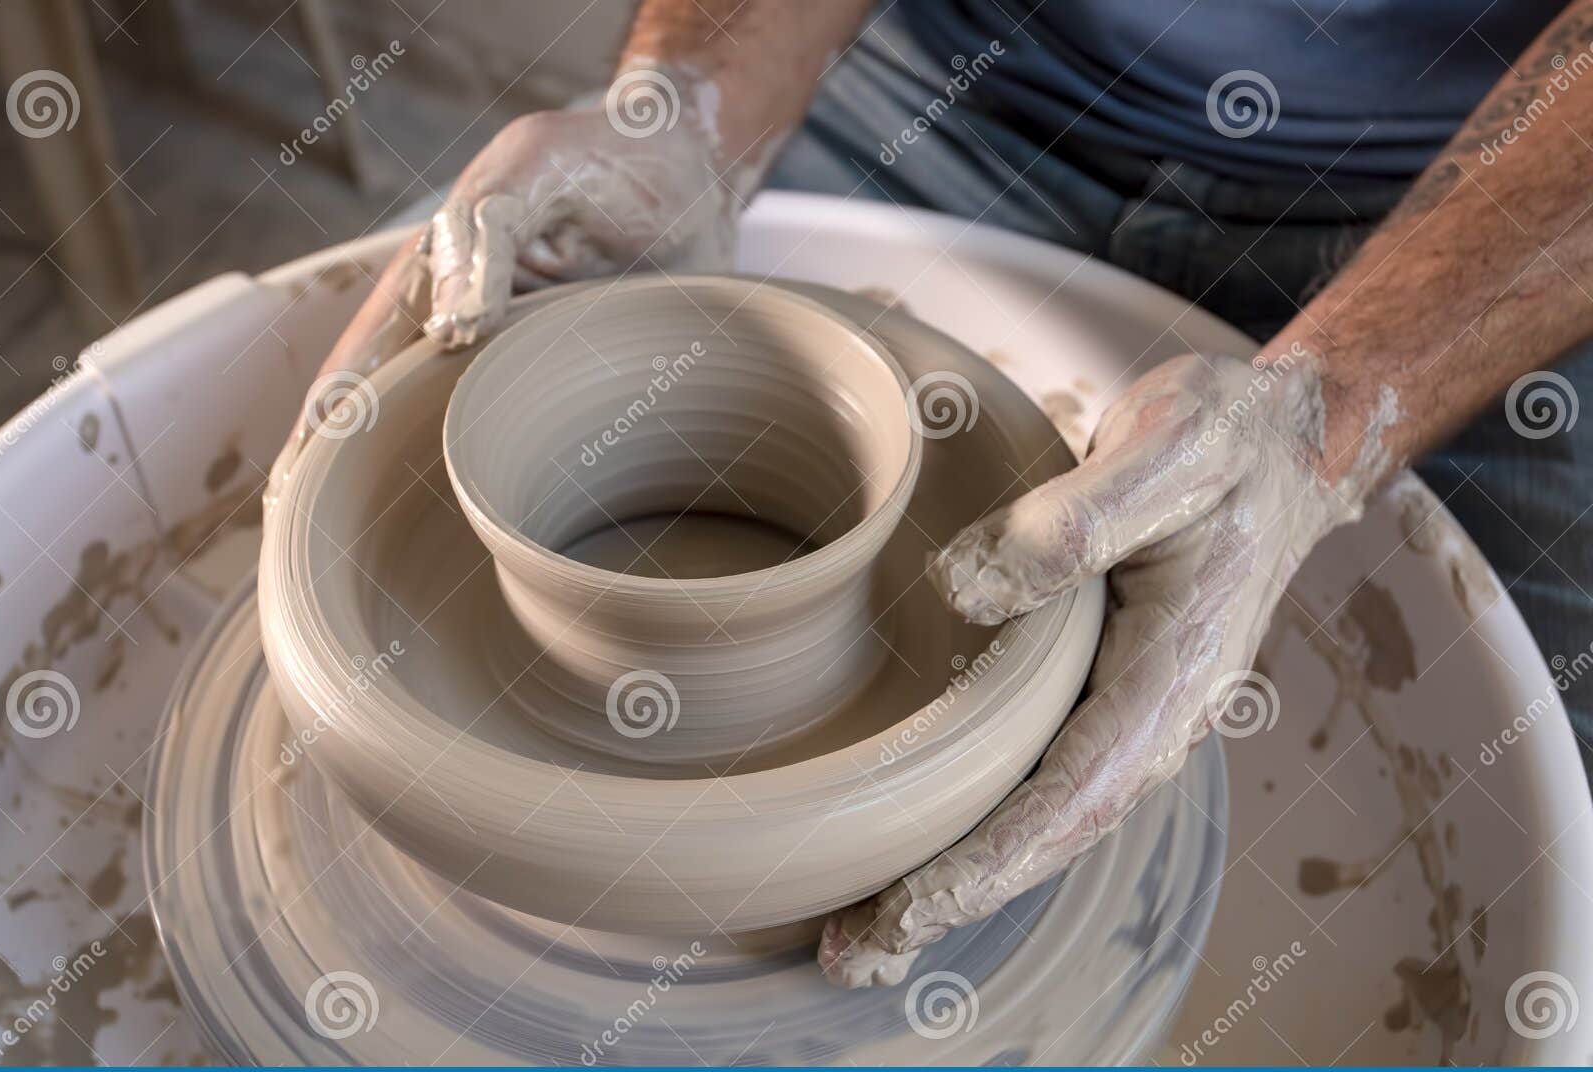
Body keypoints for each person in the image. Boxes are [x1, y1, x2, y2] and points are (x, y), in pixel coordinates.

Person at [278, 1, 1593, 988]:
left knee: (1517, 869)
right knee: (490, 305)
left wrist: (1337, 411)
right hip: (953, 75)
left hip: (1472, 181)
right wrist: (692, 104)